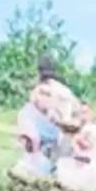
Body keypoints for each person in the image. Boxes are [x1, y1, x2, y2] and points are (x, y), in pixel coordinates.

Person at [10, 55, 82, 183]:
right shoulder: (65, 91)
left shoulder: (40, 90)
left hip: (49, 138)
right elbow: (76, 112)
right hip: (61, 137)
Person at [55, 101, 96, 191]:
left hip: (88, 172)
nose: (82, 116)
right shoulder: (77, 130)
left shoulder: (93, 129)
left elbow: (85, 146)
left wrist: (74, 136)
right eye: (80, 113)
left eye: (85, 112)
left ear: (91, 114)